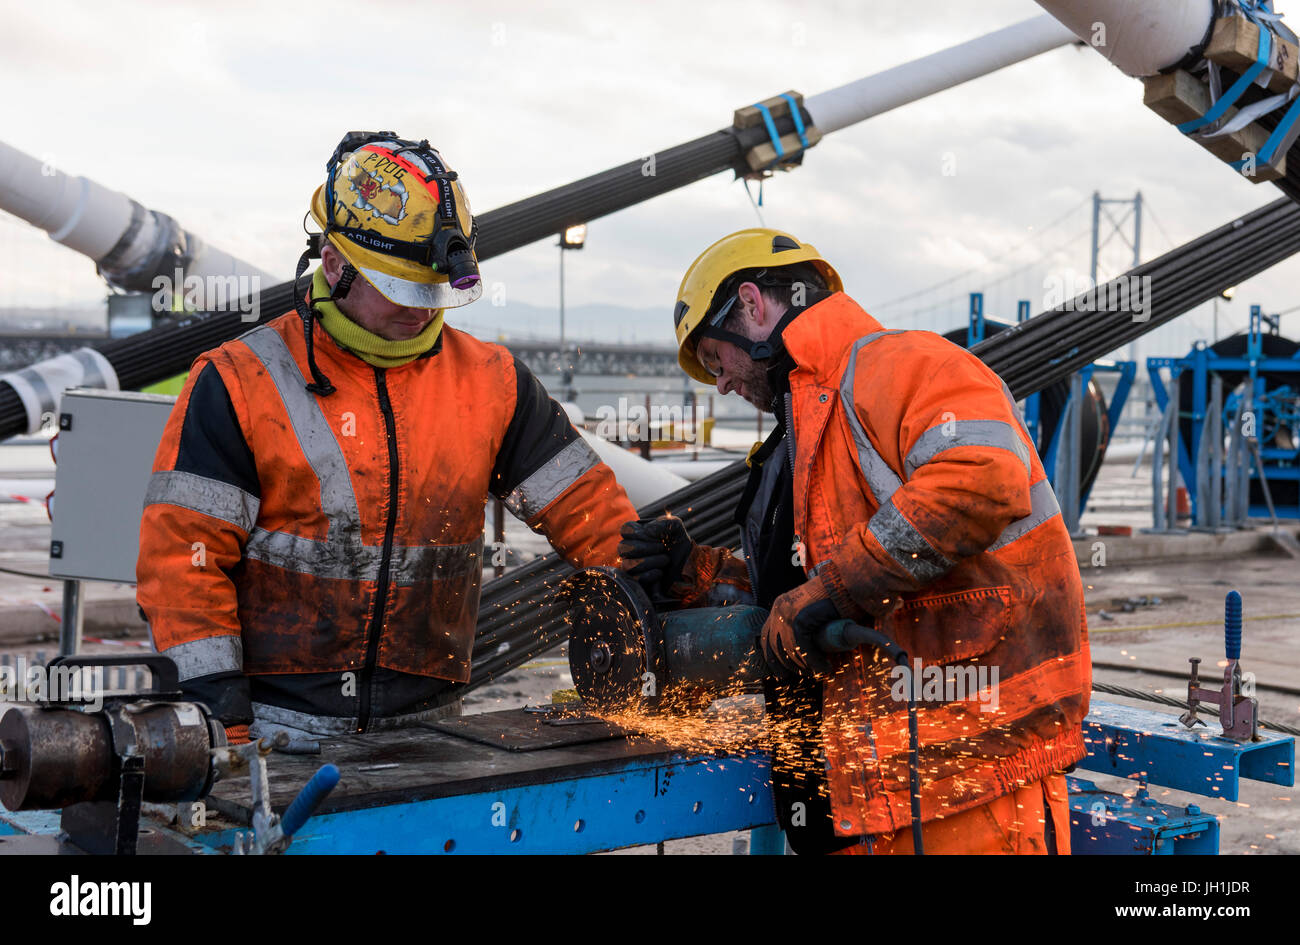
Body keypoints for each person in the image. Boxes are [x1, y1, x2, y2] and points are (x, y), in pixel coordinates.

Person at [137, 132, 636, 744]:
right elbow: (184, 563)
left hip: (430, 730)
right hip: (277, 728)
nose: (420, 310)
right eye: (402, 288)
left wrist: (663, 586)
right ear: (335, 262)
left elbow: (589, 513)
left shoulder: (492, 383)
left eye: (434, 290)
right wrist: (222, 728)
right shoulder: (241, 381)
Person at [619, 228, 1090, 854]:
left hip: (966, 791)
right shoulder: (800, 438)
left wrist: (834, 593)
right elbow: (801, 600)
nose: (723, 386)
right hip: (855, 797)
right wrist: (700, 576)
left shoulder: (906, 366)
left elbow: (979, 480)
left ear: (753, 307)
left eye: (715, 361)